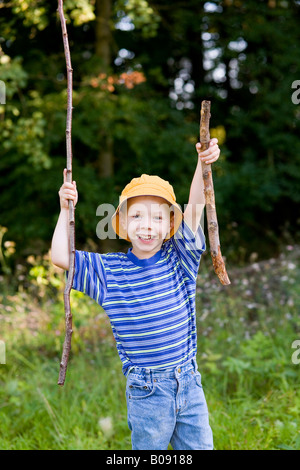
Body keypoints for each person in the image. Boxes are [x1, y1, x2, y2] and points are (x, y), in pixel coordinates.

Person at [51, 139, 220, 450]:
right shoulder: (109, 271)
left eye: (158, 218)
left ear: (170, 224)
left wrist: (202, 163)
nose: (147, 226)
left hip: (188, 382)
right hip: (147, 390)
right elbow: (61, 255)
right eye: (138, 216)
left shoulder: (178, 257)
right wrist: (65, 210)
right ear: (124, 223)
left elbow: (195, 208)